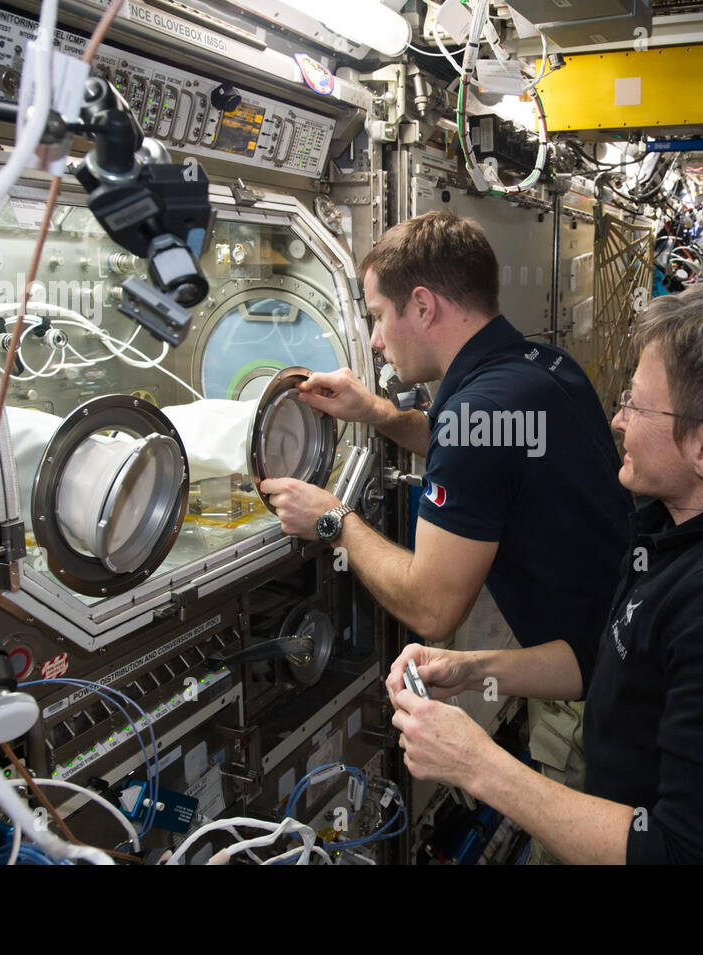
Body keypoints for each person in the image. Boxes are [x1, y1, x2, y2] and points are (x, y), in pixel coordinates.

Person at [386, 282, 703, 864]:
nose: (616, 421)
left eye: (636, 404)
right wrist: (473, 668)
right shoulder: (676, 532)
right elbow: (612, 664)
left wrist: (477, 764)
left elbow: (682, 855)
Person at [260, 211, 631, 800]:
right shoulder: (542, 367)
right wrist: (377, 413)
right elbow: (478, 446)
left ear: (424, 306)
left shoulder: (475, 413)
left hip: (595, 704)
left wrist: (333, 521)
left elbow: (433, 611)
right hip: (612, 649)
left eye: (380, 317)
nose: (376, 341)